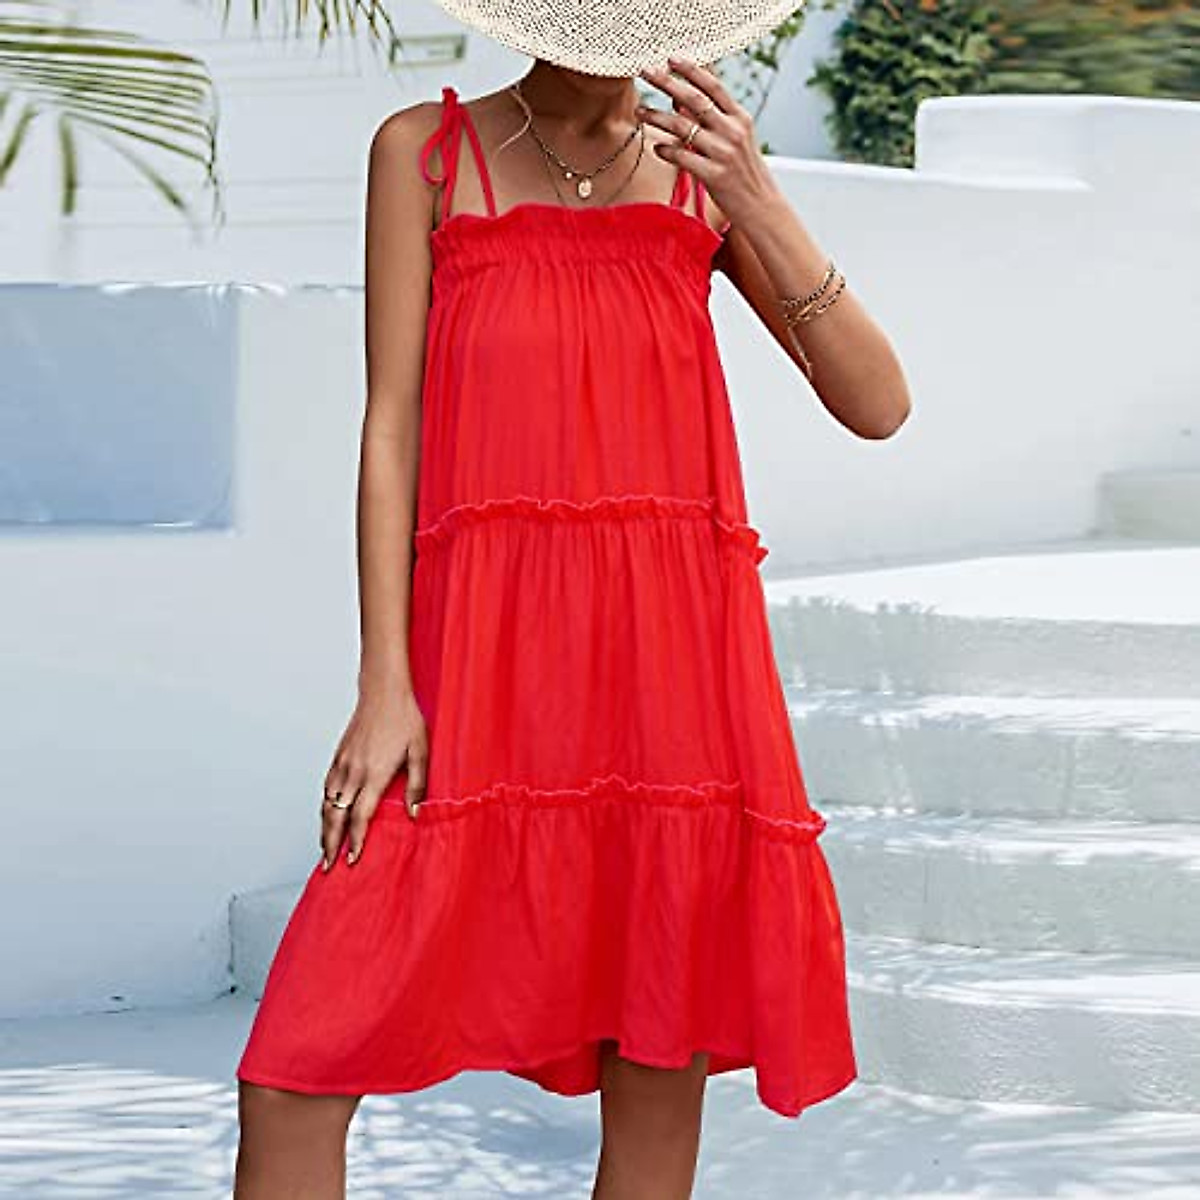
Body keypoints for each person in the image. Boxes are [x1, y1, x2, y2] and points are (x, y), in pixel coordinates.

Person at [233, 1, 911, 1195]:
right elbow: (391, 428)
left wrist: (757, 196)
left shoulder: (705, 184)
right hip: (472, 668)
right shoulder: (425, 153)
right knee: (293, 1073)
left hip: (672, 685)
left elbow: (878, 404)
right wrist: (385, 684)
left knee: (655, 1065)